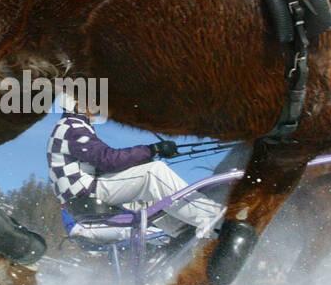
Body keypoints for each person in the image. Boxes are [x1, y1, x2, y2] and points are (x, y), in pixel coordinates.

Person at [47, 91, 222, 237]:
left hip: (81, 192)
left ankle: (181, 233)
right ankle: (214, 217)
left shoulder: (69, 127)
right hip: (86, 191)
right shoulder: (73, 127)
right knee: (153, 173)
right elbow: (108, 160)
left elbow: (101, 163)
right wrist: (152, 149)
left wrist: (141, 159)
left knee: (148, 195)